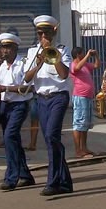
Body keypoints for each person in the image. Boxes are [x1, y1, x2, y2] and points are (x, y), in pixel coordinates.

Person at [23, 14, 74, 196]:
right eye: (39, 33)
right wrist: (37, 63)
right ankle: (65, 181)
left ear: (54, 32)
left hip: (58, 96)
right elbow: (26, 79)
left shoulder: (62, 50)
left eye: (46, 33)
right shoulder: (31, 52)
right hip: (41, 98)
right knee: (50, 140)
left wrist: (52, 54)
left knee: (52, 135)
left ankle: (52, 182)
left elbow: (64, 75)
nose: (43, 37)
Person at [0, 33, 35, 190]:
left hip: (19, 104)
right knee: (13, 140)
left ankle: (11, 177)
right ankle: (25, 175)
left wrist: (6, 88)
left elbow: (28, 88)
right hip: (5, 105)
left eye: (8, 47)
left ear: (15, 48)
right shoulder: (2, 65)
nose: (5, 51)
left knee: (9, 137)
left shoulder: (23, 64)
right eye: (3, 47)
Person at [69, 47, 99, 158]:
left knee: (86, 124)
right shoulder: (74, 64)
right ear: (78, 55)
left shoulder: (85, 65)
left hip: (88, 97)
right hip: (80, 97)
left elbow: (96, 66)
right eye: (82, 53)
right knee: (79, 123)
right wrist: (87, 56)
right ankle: (78, 150)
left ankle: (84, 147)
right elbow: (76, 68)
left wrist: (96, 55)